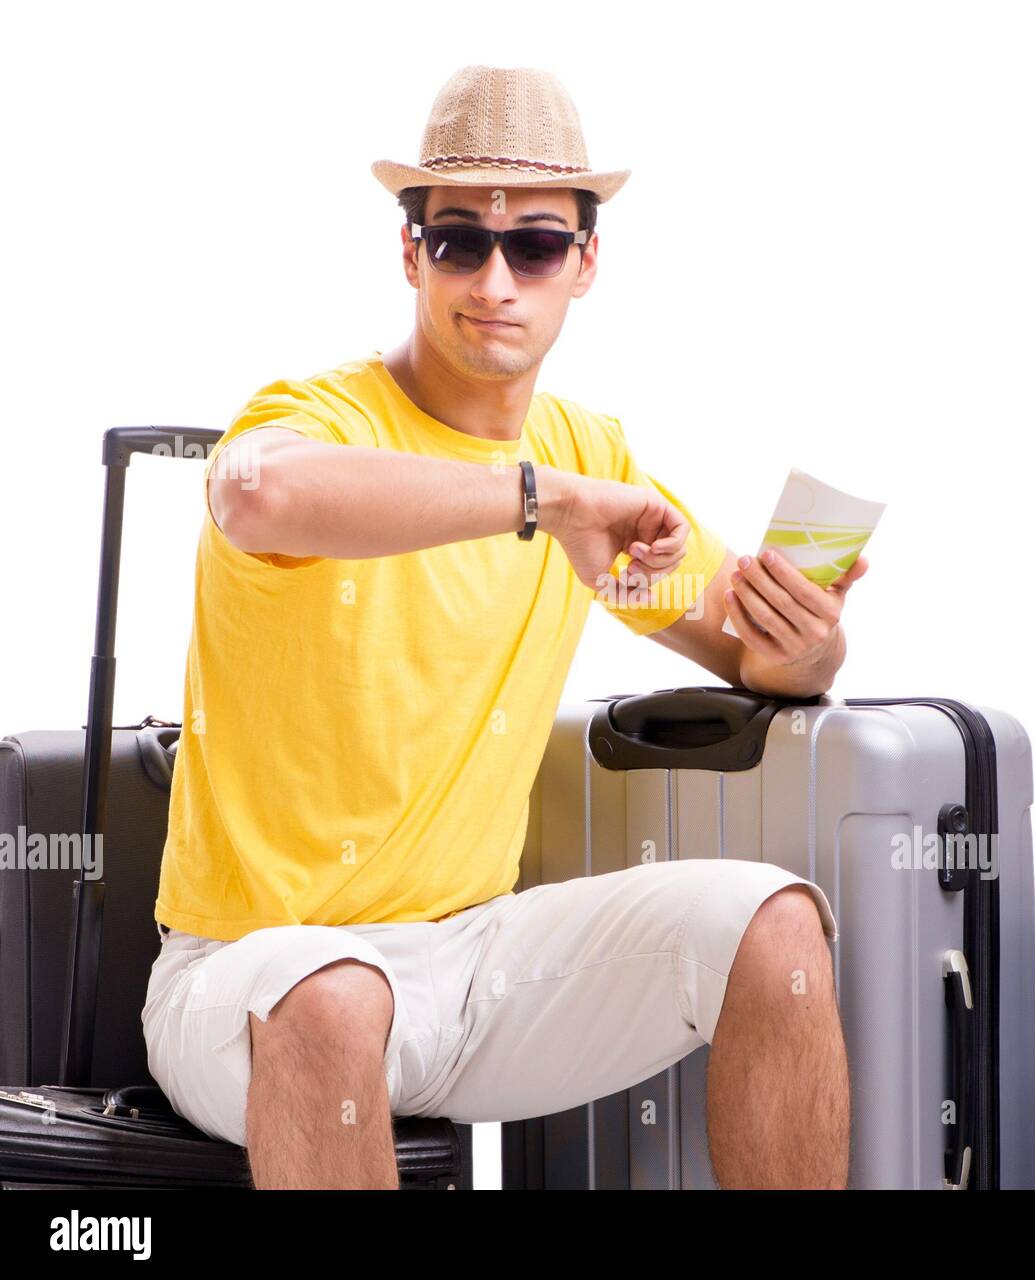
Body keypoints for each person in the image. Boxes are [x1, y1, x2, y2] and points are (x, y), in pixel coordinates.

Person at [142, 65, 867, 1190]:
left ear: (584, 263)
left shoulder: (592, 457)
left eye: (531, 246)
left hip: (472, 961)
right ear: (407, 253)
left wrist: (808, 645)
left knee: (771, 925)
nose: (493, 278)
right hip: (249, 974)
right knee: (335, 990)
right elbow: (254, 497)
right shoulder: (318, 417)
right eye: (456, 242)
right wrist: (546, 502)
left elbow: (751, 651)